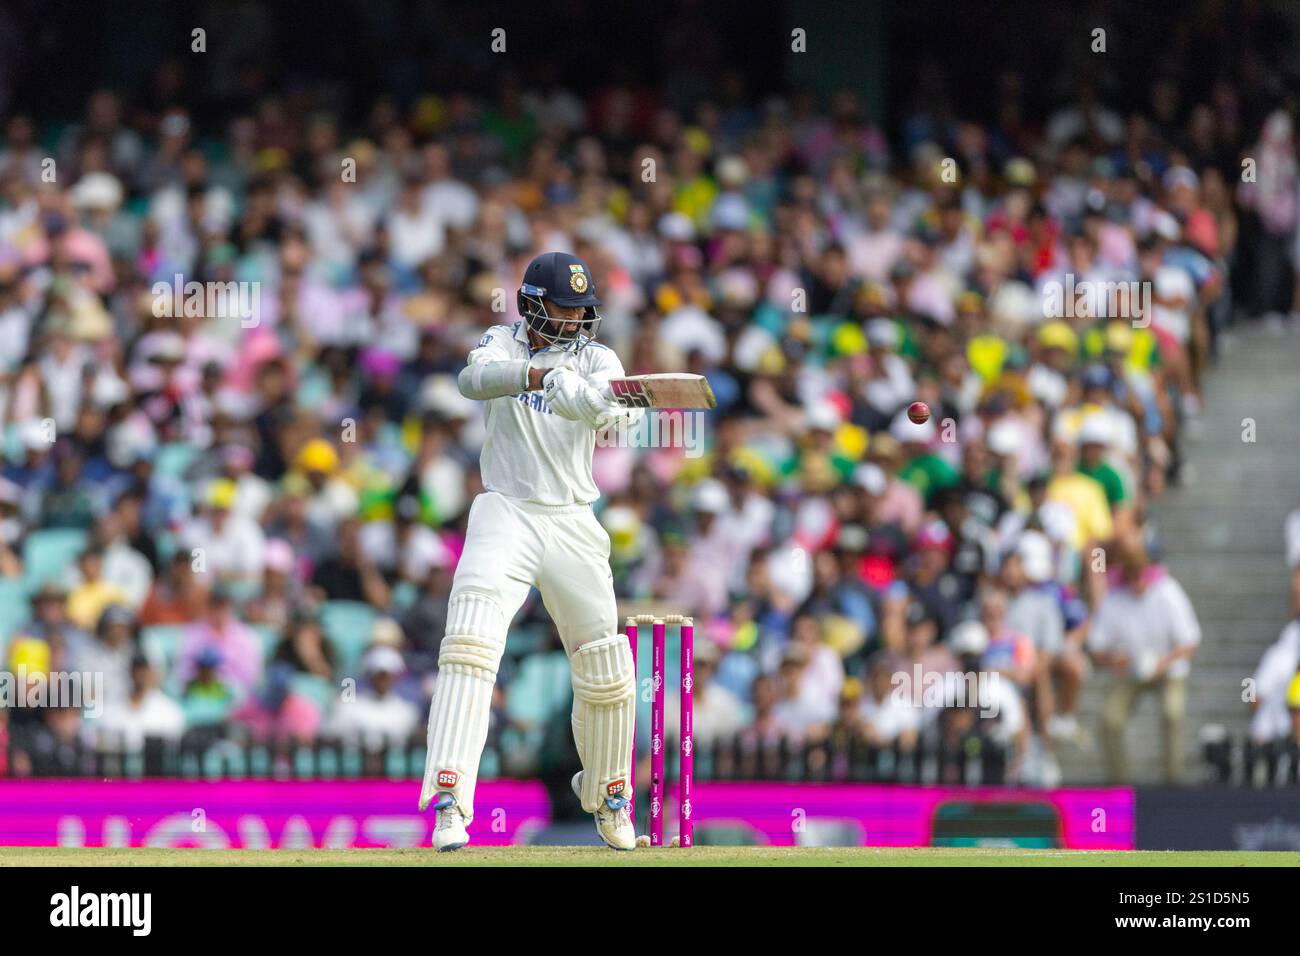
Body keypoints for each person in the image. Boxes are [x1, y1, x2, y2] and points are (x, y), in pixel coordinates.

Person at [418, 252, 642, 851]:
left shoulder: (598, 359)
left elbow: (613, 413)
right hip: (507, 512)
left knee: (604, 664)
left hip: (572, 518)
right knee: (469, 645)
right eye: (562, 309)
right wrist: (539, 376)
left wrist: (587, 397)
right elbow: (472, 381)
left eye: (580, 311)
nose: (573, 321)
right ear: (532, 306)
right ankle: (450, 798)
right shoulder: (501, 341)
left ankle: (610, 793)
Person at [1088, 542, 1201, 783]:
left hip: (1169, 670)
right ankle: (1118, 782)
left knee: (1172, 713)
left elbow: (1190, 641)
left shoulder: (1168, 592)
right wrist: (1112, 658)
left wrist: (1163, 662)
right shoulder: (1114, 599)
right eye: (1131, 576)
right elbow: (1097, 646)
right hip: (1131, 670)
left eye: (1139, 574)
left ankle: (1173, 781)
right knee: (1110, 720)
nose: (1136, 582)